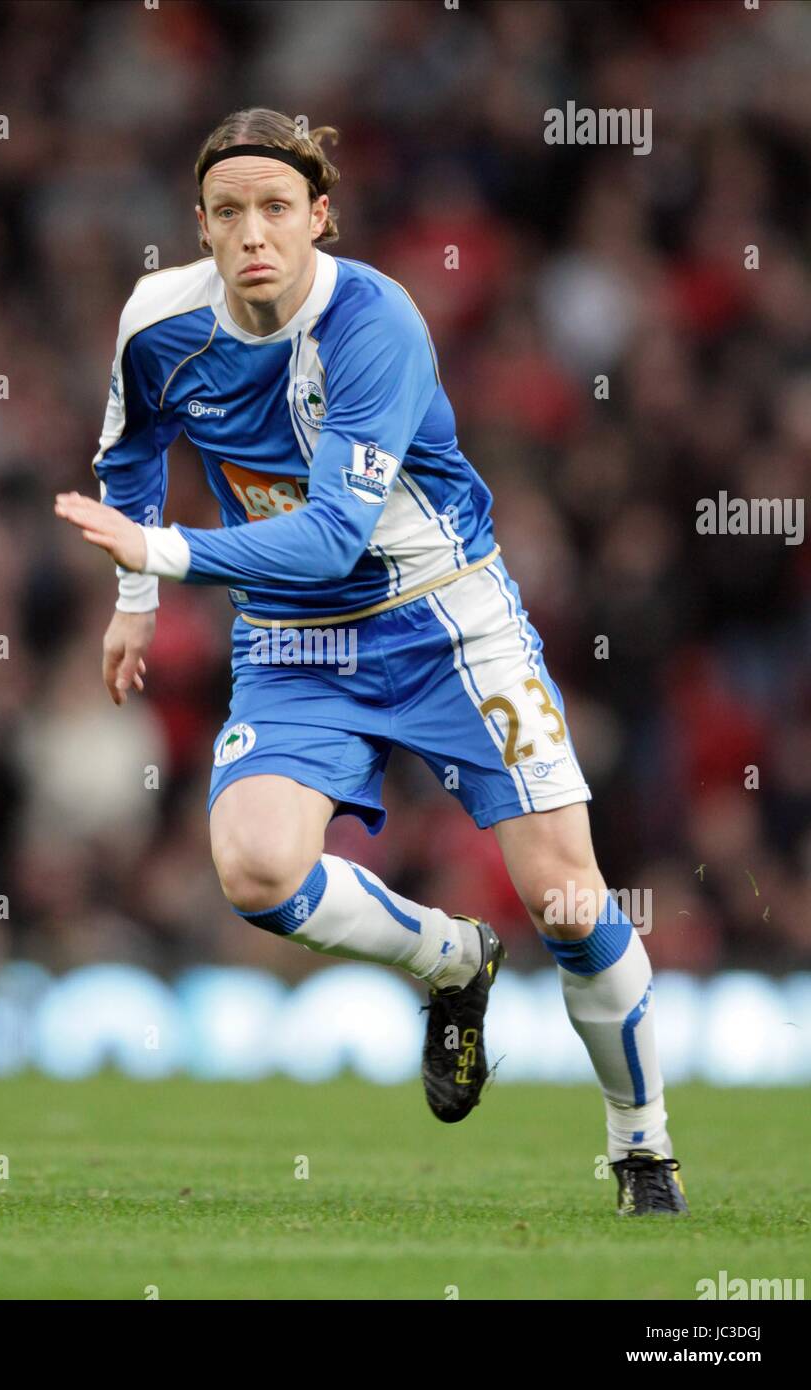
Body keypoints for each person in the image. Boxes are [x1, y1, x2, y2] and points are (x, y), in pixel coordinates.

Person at [55, 108, 688, 1216]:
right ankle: (449, 961)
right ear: (197, 227)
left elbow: (334, 535)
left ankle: (641, 1149)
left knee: (571, 904)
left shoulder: (374, 321)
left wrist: (163, 551)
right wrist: (134, 599)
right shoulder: (155, 322)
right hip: (294, 640)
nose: (252, 232)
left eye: (275, 208)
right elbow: (130, 449)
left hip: (444, 619)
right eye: (227, 211)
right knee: (252, 872)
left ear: (319, 219)